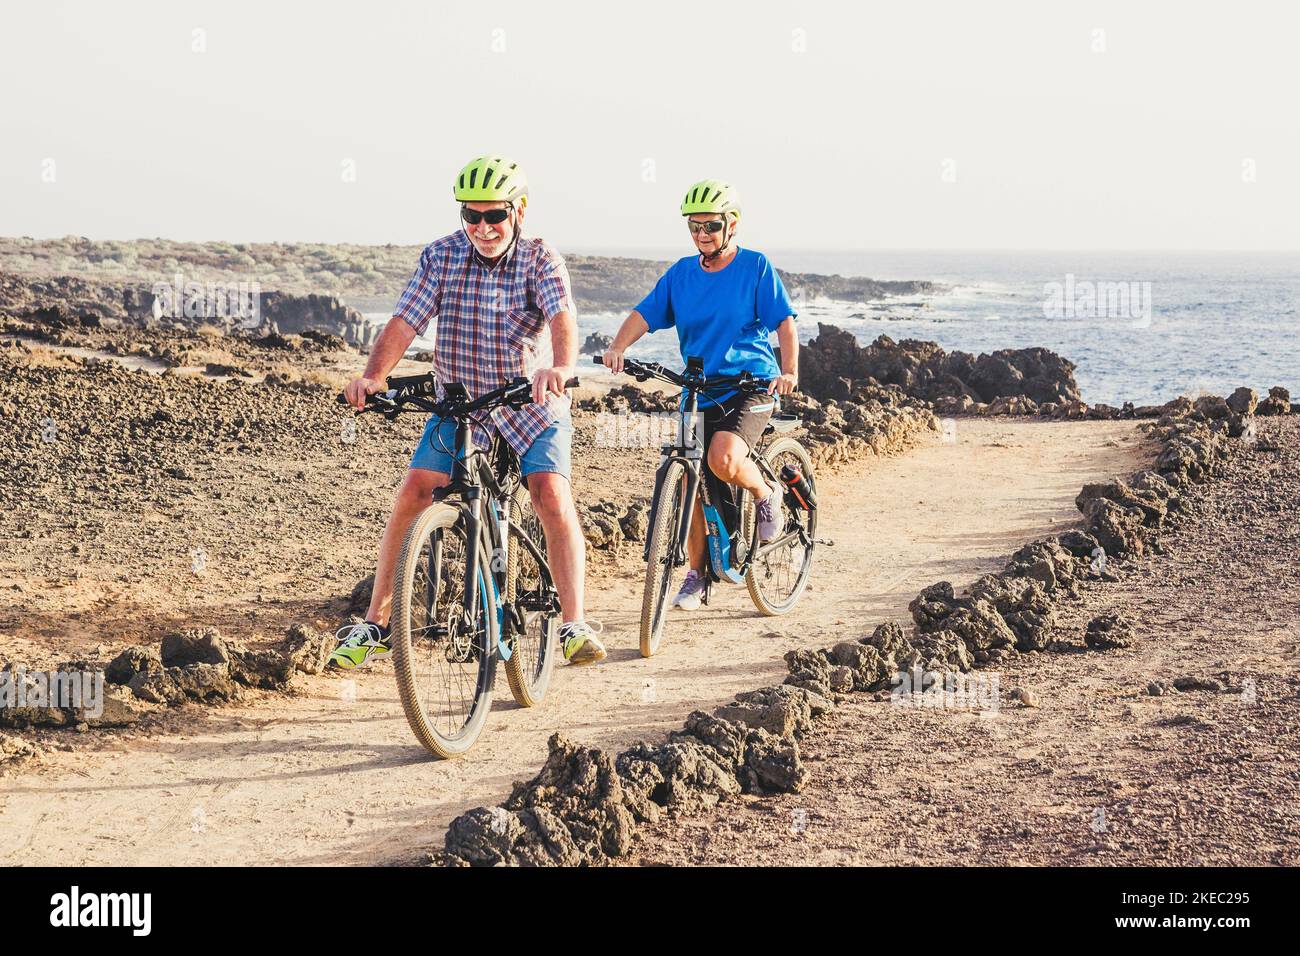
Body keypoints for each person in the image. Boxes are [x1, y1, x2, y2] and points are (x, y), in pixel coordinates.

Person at [332, 155, 605, 668]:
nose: (483, 227)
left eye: (494, 215)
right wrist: (374, 376)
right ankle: (375, 623)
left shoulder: (540, 259)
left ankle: (574, 623)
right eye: (471, 215)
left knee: (549, 493)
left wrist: (562, 367)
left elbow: (561, 317)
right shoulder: (442, 255)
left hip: (530, 401)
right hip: (462, 404)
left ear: (519, 210)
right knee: (416, 490)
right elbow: (405, 320)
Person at [601, 178, 798, 611]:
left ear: (731, 224)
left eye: (710, 225)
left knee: (722, 459)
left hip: (750, 385)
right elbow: (645, 314)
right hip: (699, 390)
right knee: (688, 478)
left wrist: (788, 371)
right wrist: (618, 347)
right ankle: (697, 574)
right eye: (694, 226)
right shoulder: (682, 274)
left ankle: (767, 493)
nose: (701, 234)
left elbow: (784, 322)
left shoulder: (755, 267)